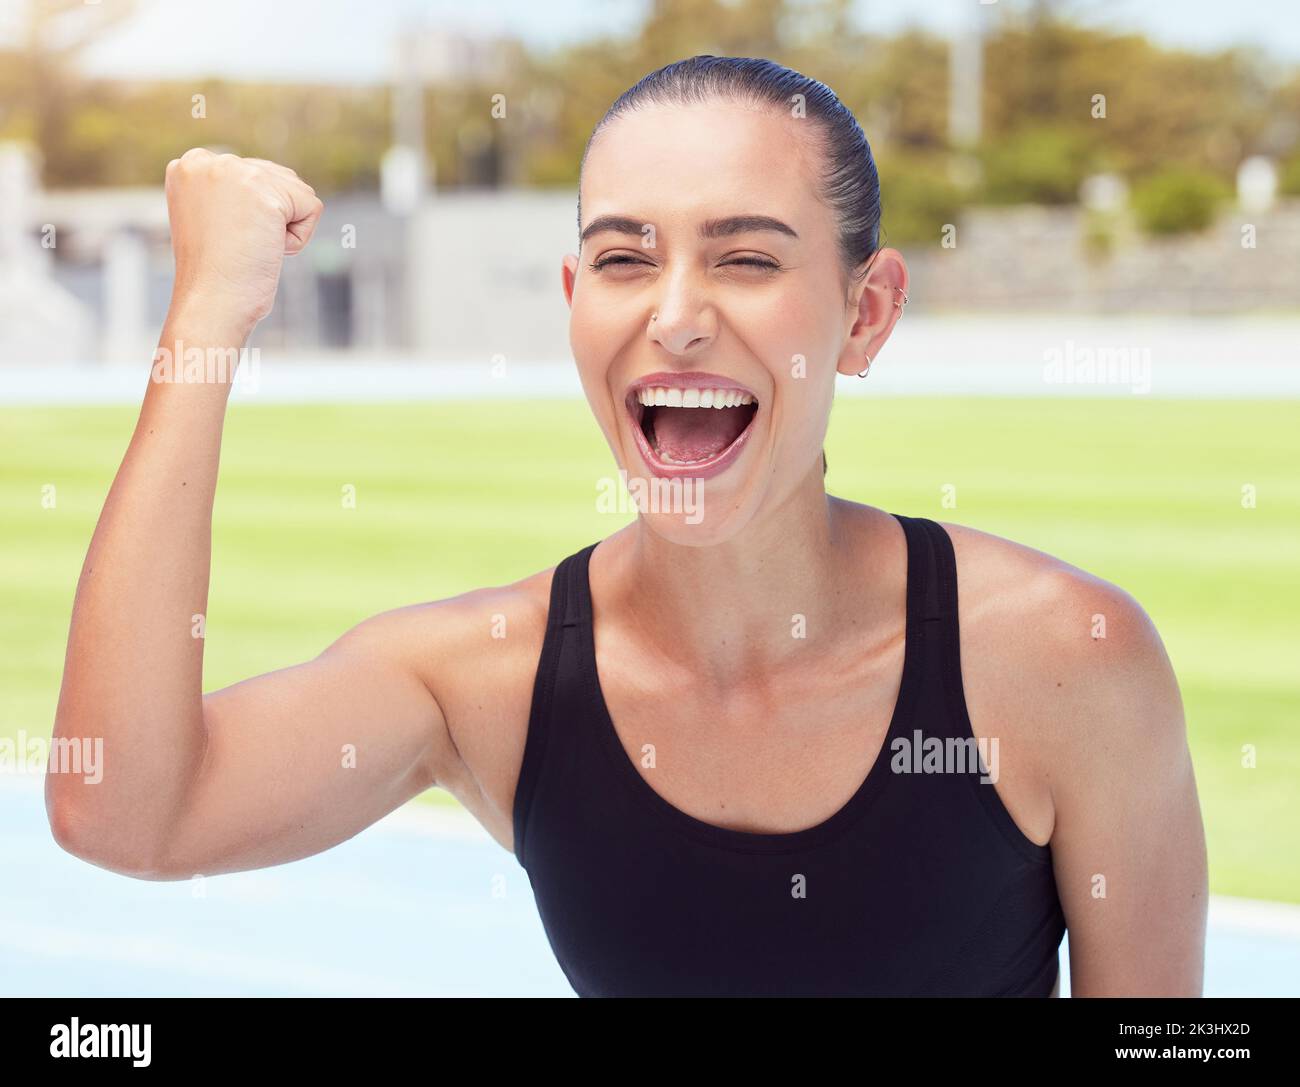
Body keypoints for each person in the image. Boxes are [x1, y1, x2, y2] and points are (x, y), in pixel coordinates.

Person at [47, 55, 1207, 997]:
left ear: (866, 312)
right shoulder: (484, 685)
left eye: (746, 257)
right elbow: (125, 809)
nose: (677, 315)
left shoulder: (1064, 661)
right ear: (573, 305)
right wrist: (207, 312)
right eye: (623, 259)